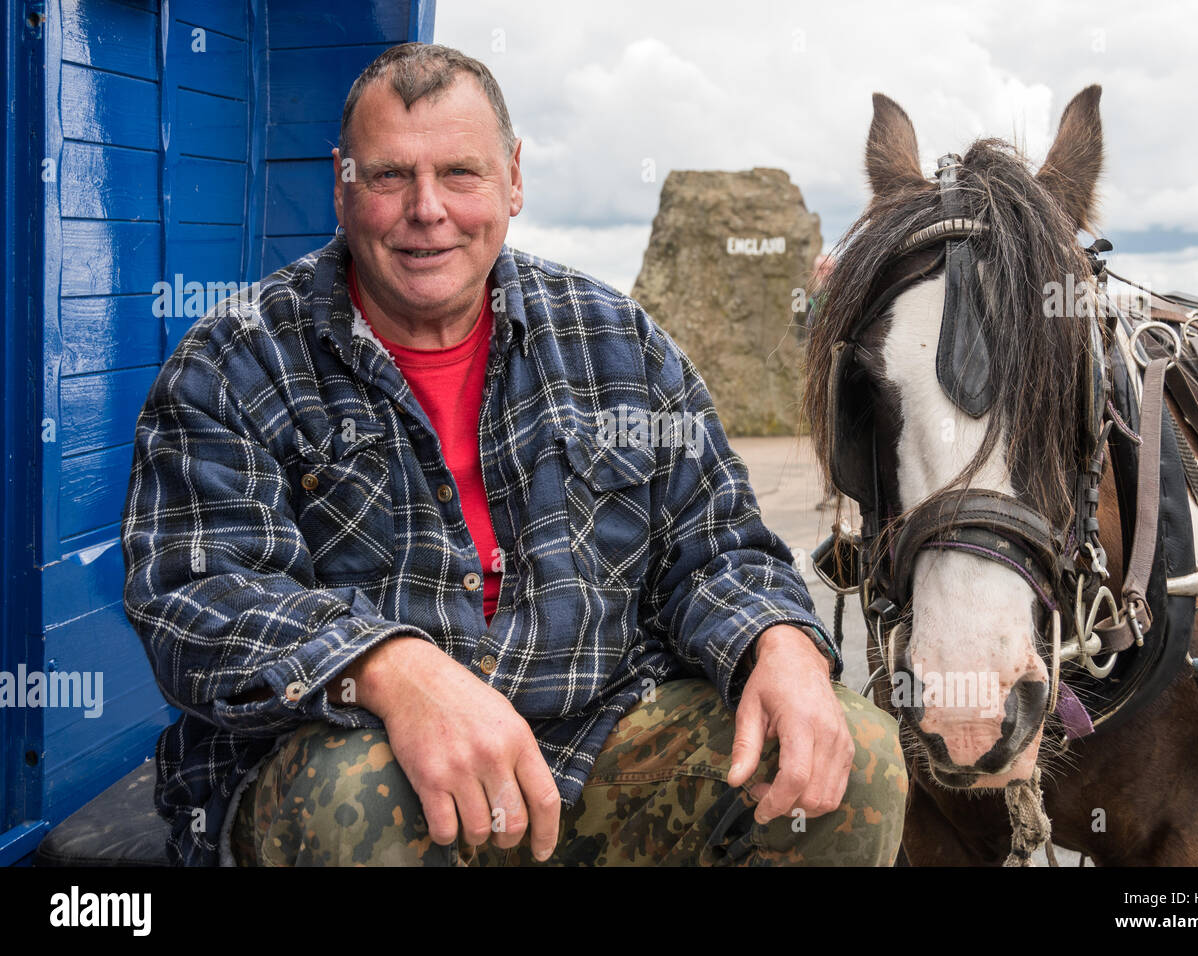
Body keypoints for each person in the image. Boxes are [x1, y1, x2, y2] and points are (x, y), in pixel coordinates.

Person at [121, 42, 906, 867]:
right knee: (363, 796)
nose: (428, 209)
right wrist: (388, 669)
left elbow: (717, 549)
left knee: (855, 754)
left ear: (513, 179)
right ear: (342, 183)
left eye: (461, 173)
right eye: (390, 176)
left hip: (596, 746)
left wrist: (777, 643)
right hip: (354, 766)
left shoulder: (618, 343)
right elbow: (194, 597)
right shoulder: (233, 362)